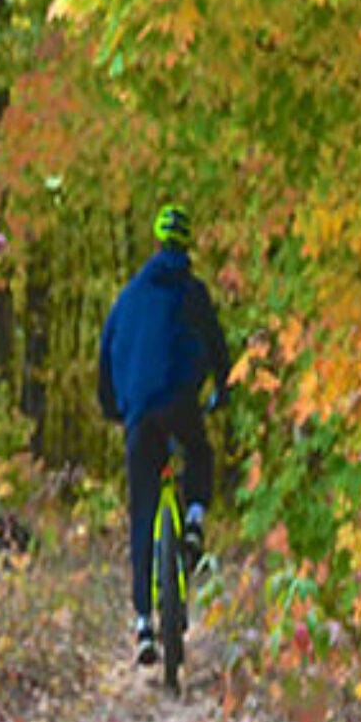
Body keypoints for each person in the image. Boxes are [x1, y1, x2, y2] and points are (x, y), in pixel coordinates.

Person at [98, 203, 230, 666]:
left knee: (142, 511)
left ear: (156, 245)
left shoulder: (129, 296)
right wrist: (222, 390)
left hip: (139, 413)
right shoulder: (193, 293)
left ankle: (143, 627)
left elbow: (107, 351)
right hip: (180, 404)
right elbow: (217, 346)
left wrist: (115, 409)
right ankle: (193, 520)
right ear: (186, 247)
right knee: (199, 451)